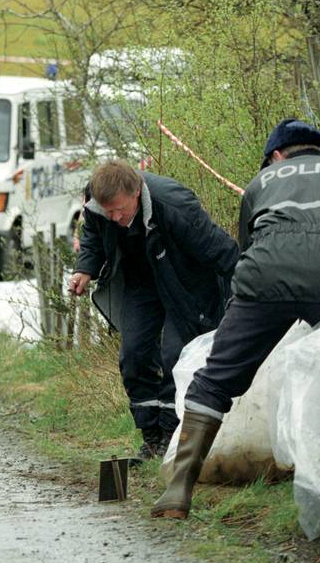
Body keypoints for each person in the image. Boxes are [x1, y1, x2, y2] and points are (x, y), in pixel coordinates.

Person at [152, 119, 320, 519]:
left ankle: (178, 492)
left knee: (214, 379)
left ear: (277, 155)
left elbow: (249, 243)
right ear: (318, 150)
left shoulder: (262, 181)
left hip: (264, 282)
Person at [69, 160, 238, 462]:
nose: (117, 218)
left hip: (185, 283)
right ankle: (151, 438)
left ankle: (173, 435)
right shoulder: (98, 204)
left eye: (121, 209)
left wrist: (251, 291)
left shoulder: (175, 205)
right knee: (133, 354)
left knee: (175, 356)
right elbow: (93, 236)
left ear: (137, 192)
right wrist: (85, 269)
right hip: (141, 282)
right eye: (110, 212)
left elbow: (222, 251)